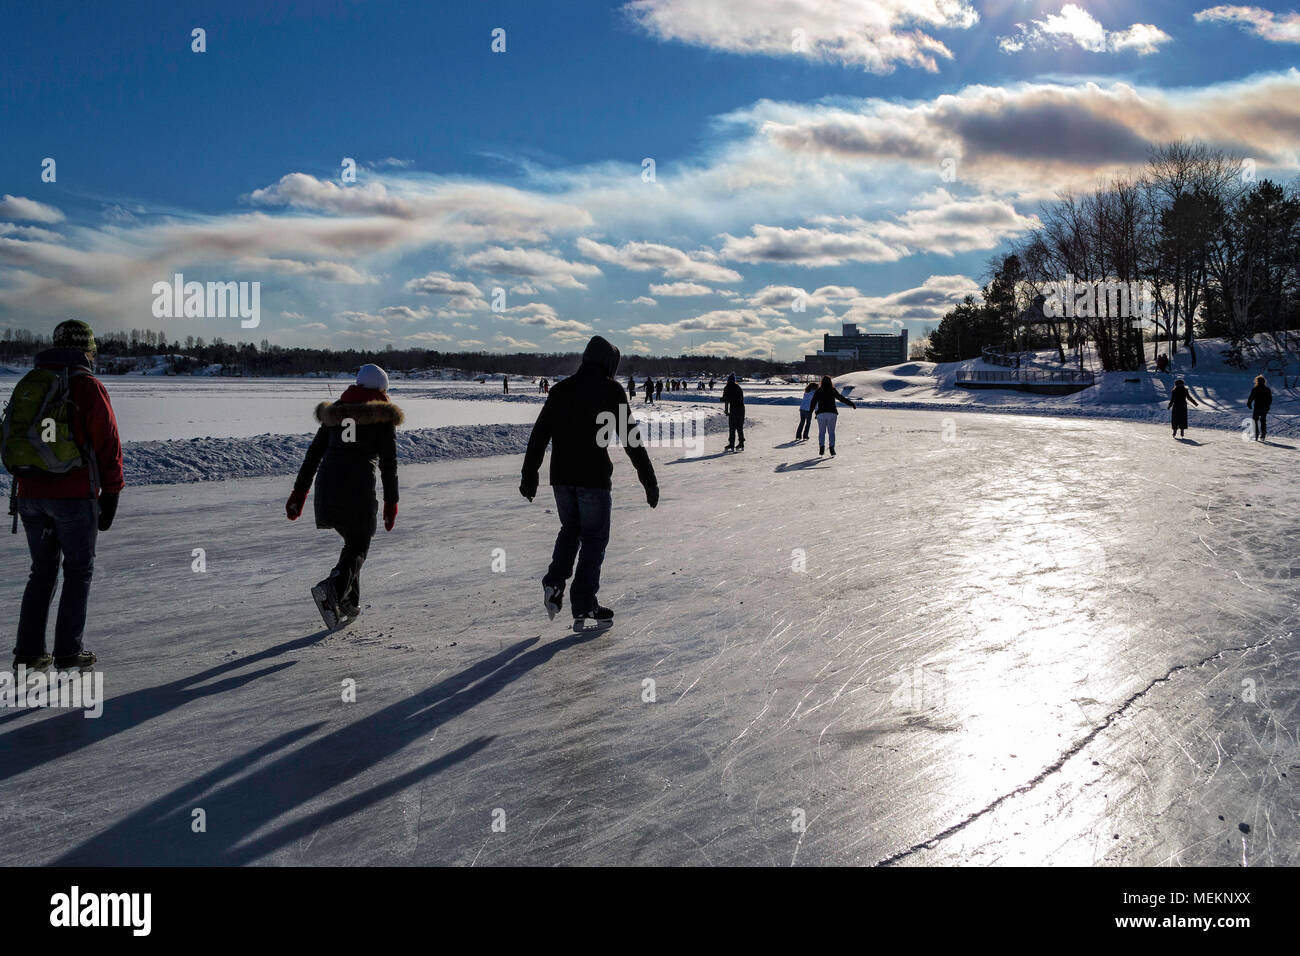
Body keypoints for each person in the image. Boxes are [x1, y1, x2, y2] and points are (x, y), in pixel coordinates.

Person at [6, 319, 123, 672]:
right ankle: (68, 652)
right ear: (88, 350)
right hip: (73, 495)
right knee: (77, 570)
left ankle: (28, 654)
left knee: (41, 571)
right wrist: (112, 491)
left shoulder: (31, 382)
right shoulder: (86, 385)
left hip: (29, 494)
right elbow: (107, 441)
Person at [520, 336, 658, 631]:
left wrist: (529, 474)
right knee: (594, 539)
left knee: (570, 530)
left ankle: (555, 583)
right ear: (608, 363)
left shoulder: (560, 390)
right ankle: (583, 602)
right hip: (593, 479)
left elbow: (540, 434)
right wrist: (648, 480)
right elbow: (631, 439)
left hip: (561, 479)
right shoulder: (610, 390)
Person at [287, 364, 401, 628]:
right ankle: (335, 588)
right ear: (381, 390)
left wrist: (299, 492)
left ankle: (348, 601)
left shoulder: (335, 412)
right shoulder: (382, 416)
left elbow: (313, 454)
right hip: (357, 488)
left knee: (353, 542)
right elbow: (389, 464)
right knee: (359, 544)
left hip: (327, 487)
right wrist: (391, 502)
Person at [810, 375, 857, 455]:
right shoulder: (832, 390)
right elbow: (841, 398)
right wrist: (851, 403)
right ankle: (832, 448)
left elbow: (813, 402)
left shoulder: (818, 391)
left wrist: (810, 412)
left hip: (821, 414)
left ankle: (822, 448)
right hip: (832, 413)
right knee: (831, 432)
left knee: (822, 432)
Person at [721, 373, 746, 451]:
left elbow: (726, 400)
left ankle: (732, 444)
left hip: (734, 409)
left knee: (732, 427)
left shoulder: (727, 388)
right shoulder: (738, 387)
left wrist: (726, 410)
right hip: (741, 409)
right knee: (739, 427)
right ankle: (741, 443)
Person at [1247, 375, 1272, 441]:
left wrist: (1249, 404)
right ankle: (1263, 432)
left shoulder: (1255, 389)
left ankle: (1256, 432)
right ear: (1264, 382)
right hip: (1264, 408)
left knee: (1255, 420)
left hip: (1257, 407)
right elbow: (1270, 399)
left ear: (1257, 381)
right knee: (1263, 420)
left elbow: (1251, 397)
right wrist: (1268, 406)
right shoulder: (1267, 389)